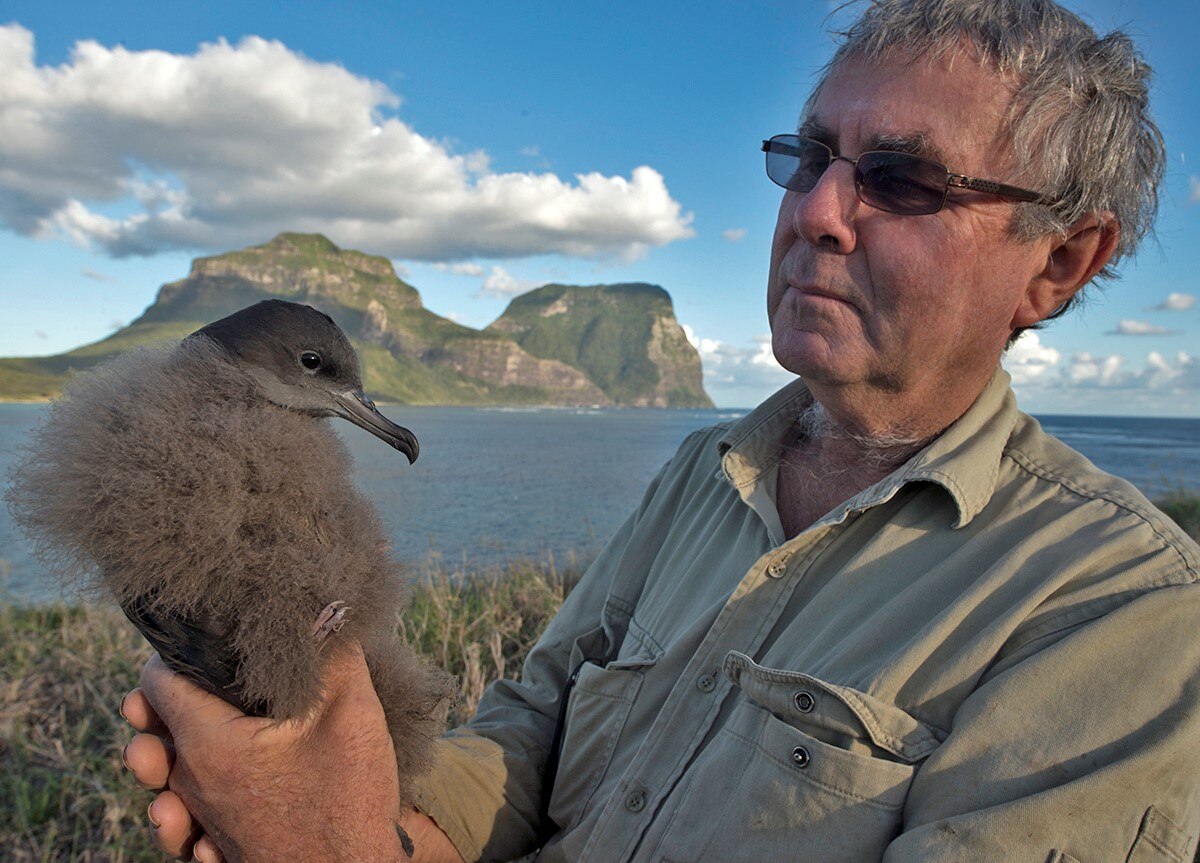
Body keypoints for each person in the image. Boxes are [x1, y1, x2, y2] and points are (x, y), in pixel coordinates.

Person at [120, 0, 1200, 860]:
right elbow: (535, 720)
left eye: (902, 179)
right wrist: (386, 829)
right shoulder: (707, 470)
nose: (816, 210)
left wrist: (326, 846)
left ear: (1059, 263)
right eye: (810, 155)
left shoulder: (1124, 617)